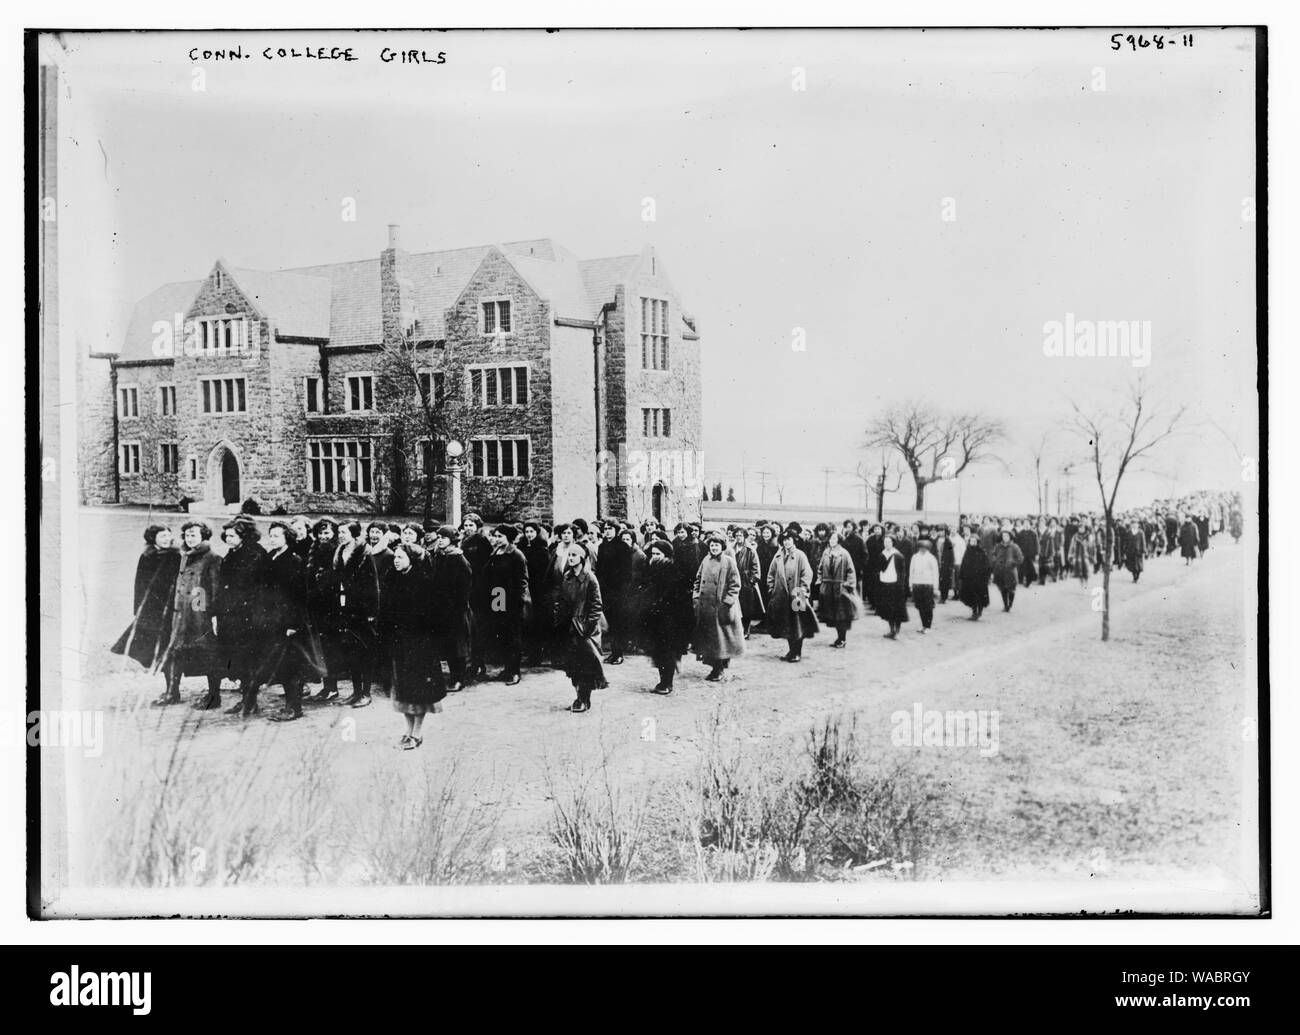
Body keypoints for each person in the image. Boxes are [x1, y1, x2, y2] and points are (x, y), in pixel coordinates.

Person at [380, 544, 446, 749]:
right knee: (403, 690)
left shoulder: (425, 583)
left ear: (412, 559)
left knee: (419, 690)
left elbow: (433, 618)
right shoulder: (392, 579)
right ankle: (407, 730)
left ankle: (417, 733)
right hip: (398, 643)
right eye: (395, 557)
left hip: (420, 646)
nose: (396, 560)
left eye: (400, 557)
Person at [156, 520, 226, 709]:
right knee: (175, 652)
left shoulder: (212, 558)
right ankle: (173, 692)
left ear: (204, 535)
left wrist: (203, 611)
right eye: (187, 534)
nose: (190, 538)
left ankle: (214, 696)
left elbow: (214, 589)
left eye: (194, 534)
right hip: (179, 616)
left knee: (208, 654)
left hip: (199, 617)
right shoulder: (182, 556)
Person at [260, 521, 324, 722]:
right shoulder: (271, 558)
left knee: (291, 666)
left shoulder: (294, 561)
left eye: (277, 536)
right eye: (271, 536)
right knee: (282, 665)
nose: (273, 539)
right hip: (273, 621)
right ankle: (289, 704)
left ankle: (294, 708)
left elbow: (299, 596)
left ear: (287, 538)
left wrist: (293, 625)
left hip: (290, 623)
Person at [111, 525, 181, 700]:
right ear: (153, 539)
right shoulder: (147, 557)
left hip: (171, 609)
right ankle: (170, 688)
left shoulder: (176, 556)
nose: (166, 539)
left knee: (170, 649)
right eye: (162, 536)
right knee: (152, 648)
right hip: (151, 611)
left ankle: (173, 690)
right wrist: (139, 610)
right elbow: (139, 584)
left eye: (168, 536)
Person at [213, 517, 271, 718]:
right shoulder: (233, 553)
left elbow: (256, 587)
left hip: (249, 616)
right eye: (226, 535)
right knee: (237, 659)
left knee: (249, 659)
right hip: (231, 616)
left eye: (232, 536)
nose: (228, 539)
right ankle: (246, 697)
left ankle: (251, 701)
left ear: (243, 536)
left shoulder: (255, 554)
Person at [471, 524, 529, 685]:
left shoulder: (516, 555)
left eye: (500, 536)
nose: (496, 539)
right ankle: (506, 668)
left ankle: (514, 671)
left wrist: (517, 602)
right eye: (495, 536)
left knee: (512, 635)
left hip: (510, 600)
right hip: (496, 598)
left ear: (508, 538)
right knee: (501, 633)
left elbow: (522, 581)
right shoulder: (495, 552)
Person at [333, 520, 380, 708]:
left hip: (362, 609)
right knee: (351, 651)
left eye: (343, 532)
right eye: (339, 532)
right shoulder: (339, 552)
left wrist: (371, 611)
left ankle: (366, 693)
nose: (340, 535)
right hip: (346, 607)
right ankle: (355, 691)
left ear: (353, 534)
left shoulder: (364, 553)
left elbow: (373, 584)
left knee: (364, 650)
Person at [554, 543, 605, 713]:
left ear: (582, 558)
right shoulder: (567, 576)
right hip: (569, 628)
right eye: (569, 555)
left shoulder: (590, 578)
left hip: (584, 629)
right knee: (573, 666)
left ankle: (583, 699)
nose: (570, 558)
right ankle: (579, 697)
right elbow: (562, 600)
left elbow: (596, 606)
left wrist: (587, 626)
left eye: (574, 555)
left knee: (586, 665)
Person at [641, 538, 693, 695]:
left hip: (671, 621)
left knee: (667, 651)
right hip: (655, 619)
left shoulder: (674, 572)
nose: (654, 557)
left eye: (658, 554)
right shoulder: (650, 570)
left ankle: (667, 683)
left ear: (668, 555)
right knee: (658, 651)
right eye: (652, 554)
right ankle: (663, 680)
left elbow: (681, 599)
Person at [692, 532, 745, 681]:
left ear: (722, 546)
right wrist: (696, 597)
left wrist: (727, 602)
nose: (714, 547)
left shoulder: (728, 561)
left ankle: (718, 669)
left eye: (717, 545)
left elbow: (735, 585)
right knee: (709, 640)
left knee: (721, 641)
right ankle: (716, 665)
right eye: (712, 545)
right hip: (705, 608)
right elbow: (698, 579)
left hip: (721, 608)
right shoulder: (705, 560)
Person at [429, 525, 473, 692]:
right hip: (440, 610)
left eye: (444, 537)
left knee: (457, 647)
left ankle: (459, 679)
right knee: (446, 646)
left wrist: (456, 610)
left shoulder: (459, 560)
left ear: (452, 541)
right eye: (439, 537)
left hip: (455, 612)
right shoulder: (440, 556)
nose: (440, 540)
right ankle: (451, 677)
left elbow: (464, 590)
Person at [767, 528, 819, 661]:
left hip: (797, 596)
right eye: (784, 540)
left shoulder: (800, 555)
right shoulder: (778, 556)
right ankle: (791, 651)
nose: (786, 542)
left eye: (789, 539)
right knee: (787, 624)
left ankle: (797, 652)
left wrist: (802, 591)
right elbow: (771, 574)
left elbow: (807, 574)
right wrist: (772, 589)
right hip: (782, 596)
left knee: (798, 624)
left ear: (794, 540)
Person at [595, 522, 637, 664]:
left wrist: (622, 591)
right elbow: (600, 569)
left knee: (618, 624)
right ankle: (613, 653)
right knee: (611, 623)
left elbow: (626, 571)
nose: (607, 531)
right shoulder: (602, 546)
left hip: (619, 591)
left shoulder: (622, 547)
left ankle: (618, 654)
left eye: (610, 529)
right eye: (605, 529)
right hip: (606, 591)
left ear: (616, 530)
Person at [817, 531, 860, 647]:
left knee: (842, 616)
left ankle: (842, 639)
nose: (832, 541)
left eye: (834, 539)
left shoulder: (844, 554)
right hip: (828, 588)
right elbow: (820, 568)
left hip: (840, 588)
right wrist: (820, 581)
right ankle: (839, 638)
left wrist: (848, 585)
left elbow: (851, 571)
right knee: (833, 615)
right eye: (830, 539)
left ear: (839, 540)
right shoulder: (826, 553)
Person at [521, 521, 552, 664]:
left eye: (531, 532)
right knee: (527, 621)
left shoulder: (542, 549)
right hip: (526, 587)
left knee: (537, 622)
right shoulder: (522, 547)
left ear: (537, 532)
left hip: (537, 590)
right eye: (526, 532)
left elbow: (544, 572)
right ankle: (531, 652)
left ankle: (537, 654)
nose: (529, 534)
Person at [875, 534, 909, 638]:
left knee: (897, 610)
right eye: (885, 542)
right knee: (888, 609)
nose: (886, 544)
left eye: (889, 542)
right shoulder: (882, 554)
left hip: (896, 585)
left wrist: (901, 585)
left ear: (893, 543)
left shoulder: (898, 555)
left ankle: (897, 632)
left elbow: (902, 573)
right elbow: (879, 569)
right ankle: (891, 630)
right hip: (885, 584)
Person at [733, 529, 764, 638]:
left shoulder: (750, 550)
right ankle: (737, 630)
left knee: (746, 608)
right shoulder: (731, 549)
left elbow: (756, 568)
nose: (738, 537)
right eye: (736, 535)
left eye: (741, 535)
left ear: (745, 536)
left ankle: (746, 630)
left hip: (746, 582)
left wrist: (751, 580)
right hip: (734, 580)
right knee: (736, 607)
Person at [956, 532, 991, 620]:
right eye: (971, 541)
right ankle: (974, 612)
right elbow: (964, 564)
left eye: (974, 541)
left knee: (979, 596)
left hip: (979, 579)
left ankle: (979, 612)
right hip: (969, 579)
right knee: (971, 596)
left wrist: (985, 576)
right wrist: (961, 575)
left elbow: (986, 565)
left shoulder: (981, 551)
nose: (973, 542)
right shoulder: (967, 551)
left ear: (977, 542)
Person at [908, 536, 940, 632]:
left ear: (927, 548)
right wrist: (911, 584)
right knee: (920, 606)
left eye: (924, 548)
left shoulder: (931, 558)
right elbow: (911, 571)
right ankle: (923, 625)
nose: (922, 549)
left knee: (928, 606)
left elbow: (935, 573)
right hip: (917, 584)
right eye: (921, 547)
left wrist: (935, 587)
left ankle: (928, 626)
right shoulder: (915, 557)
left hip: (928, 584)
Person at [991, 530, 1024, 613]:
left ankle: (1010, 604)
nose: (1005, 537)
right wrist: (996, 561)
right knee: (1002, 589)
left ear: (1010, 537)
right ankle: (1006, 605)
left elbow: (1020, 558)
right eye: (1003, 536)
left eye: (1007, 536)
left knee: (1011, 589)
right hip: (1000, 571)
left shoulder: (1014, 547)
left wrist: (1012, 563)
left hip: (1010, 572)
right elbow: (994, 555)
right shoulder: (998, 546)